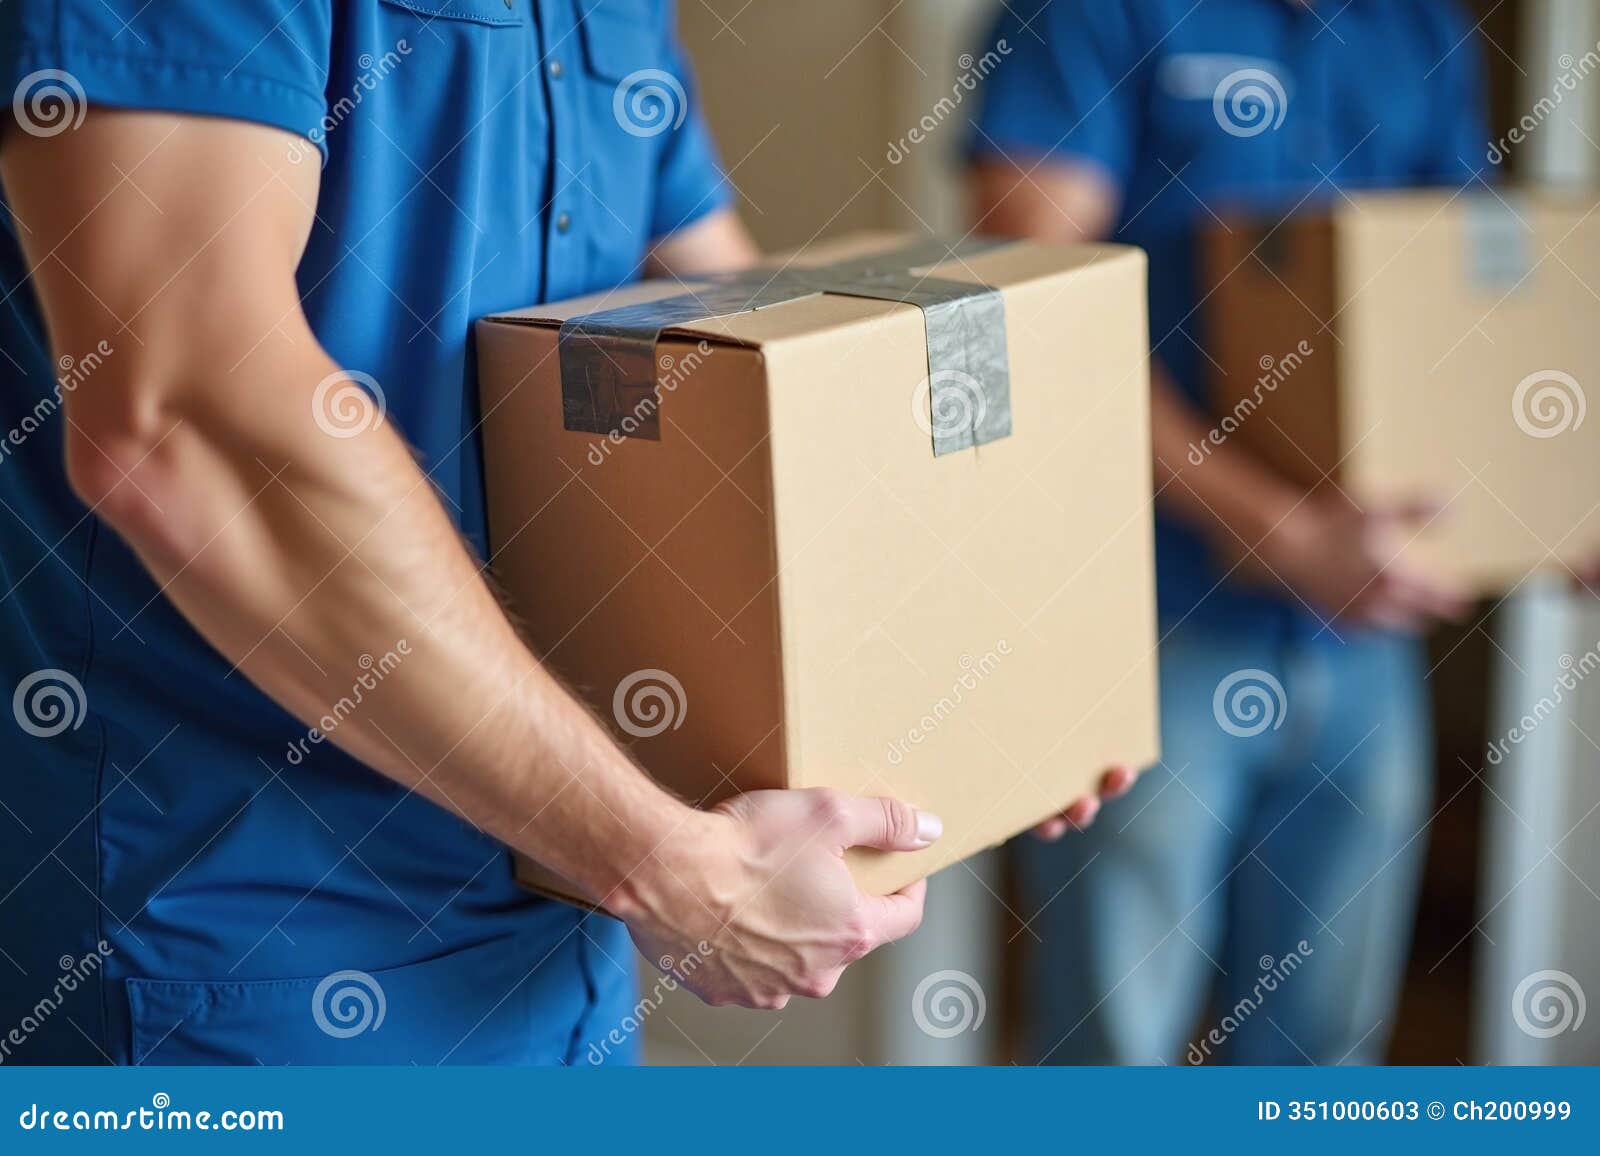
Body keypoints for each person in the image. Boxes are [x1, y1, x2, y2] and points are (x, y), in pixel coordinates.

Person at [0, 0, 981, 1066]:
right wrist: (659, 862)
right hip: (244, 948)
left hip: (557, 935)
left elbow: (738, 343)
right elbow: (185, 422)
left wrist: (981, 686)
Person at [971, 0, 1497, 1064]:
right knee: (1111, 1044)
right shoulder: (1088, 14)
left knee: (1321, 1049)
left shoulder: (1420, 28)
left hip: (1357, 639)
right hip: (1145, 619)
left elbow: (1469, 287)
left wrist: (1541, 503)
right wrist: (1284, 535)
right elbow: (1028, 306)